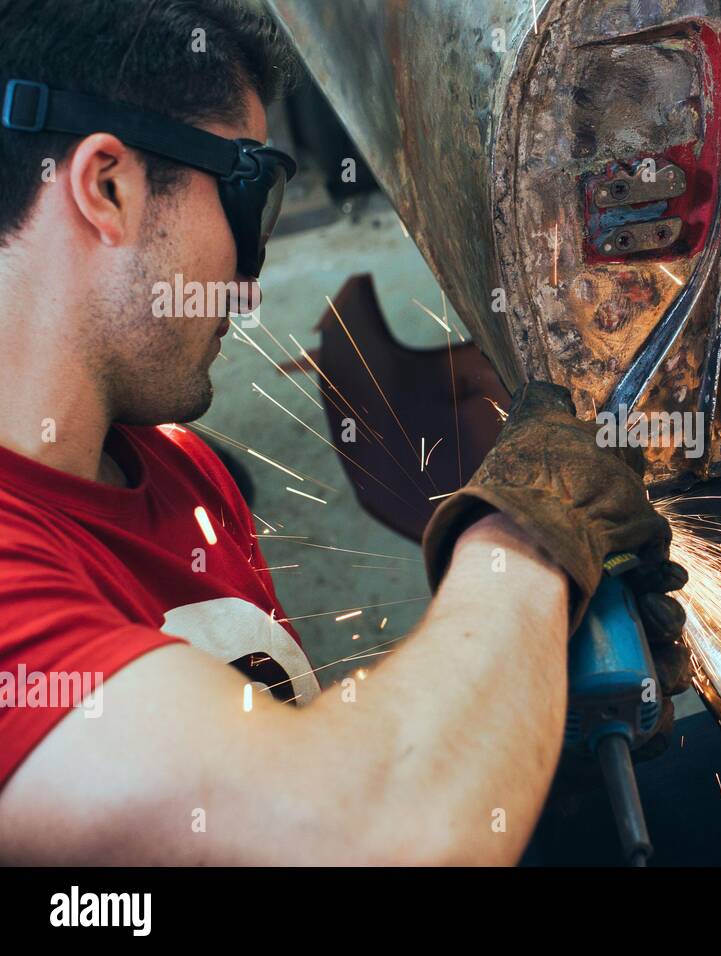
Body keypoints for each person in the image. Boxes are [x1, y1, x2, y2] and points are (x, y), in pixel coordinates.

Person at [0, 0, 686, 865]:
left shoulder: (178, 467)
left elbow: (295, 756)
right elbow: (366, 837)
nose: (251, 284)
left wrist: (519, 711)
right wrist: (527, 540)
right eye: (249, 198)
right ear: (109, 187)